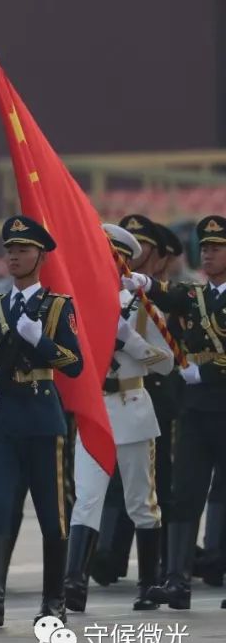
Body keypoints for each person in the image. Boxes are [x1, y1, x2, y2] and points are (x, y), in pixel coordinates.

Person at [0, 215, 83, 626]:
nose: (13, 256)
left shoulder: (58, 307)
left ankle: (54, 600)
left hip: (43, 418)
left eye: (22, 249)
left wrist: (38, 339)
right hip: (5, 419)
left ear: (40, 256)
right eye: (9, 250)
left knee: (51, 512)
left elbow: (74, 364)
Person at [64, 224, 172, 613]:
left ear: (123, 261)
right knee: (86, 499)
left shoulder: (143, 307)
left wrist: (130, 340)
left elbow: (168, 363)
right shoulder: (74, 306)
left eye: (107, 256)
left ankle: (148, 584)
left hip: (131, 404)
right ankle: (73, 582)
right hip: (95, 411)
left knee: (140, 503)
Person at [124, 214, 226, 610]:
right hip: (196, 410)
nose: (210, 254)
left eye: (218, 248)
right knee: (185, 493)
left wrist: (209, 371)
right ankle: (176, 579)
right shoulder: (197, 295)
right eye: (207, 248)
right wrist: (143, 283)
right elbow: (169, 295)